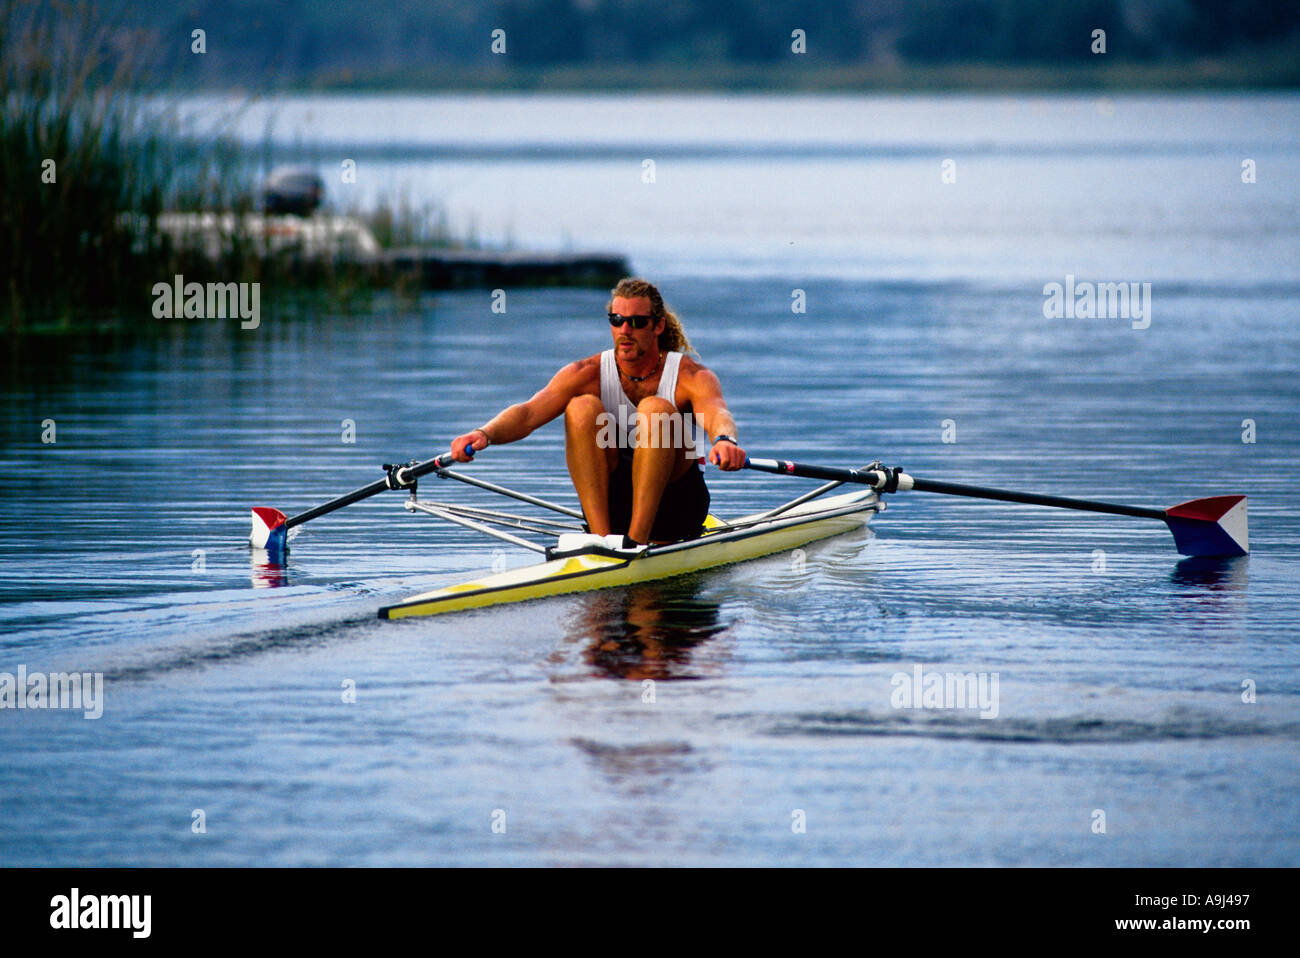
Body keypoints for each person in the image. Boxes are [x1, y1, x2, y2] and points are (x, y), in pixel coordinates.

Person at [450, 278, 746, 547]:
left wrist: (724, 440)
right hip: (613, 509)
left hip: (676, 508)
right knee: (581, 406)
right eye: (617, 320)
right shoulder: (586, 372)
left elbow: (717, 413)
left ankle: (634, 544)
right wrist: (483, 433)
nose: (625, 331)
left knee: (655, 409)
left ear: (658, 326)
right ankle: (601, 542)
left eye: (636, 322)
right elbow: (528, 414)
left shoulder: (690, 375)